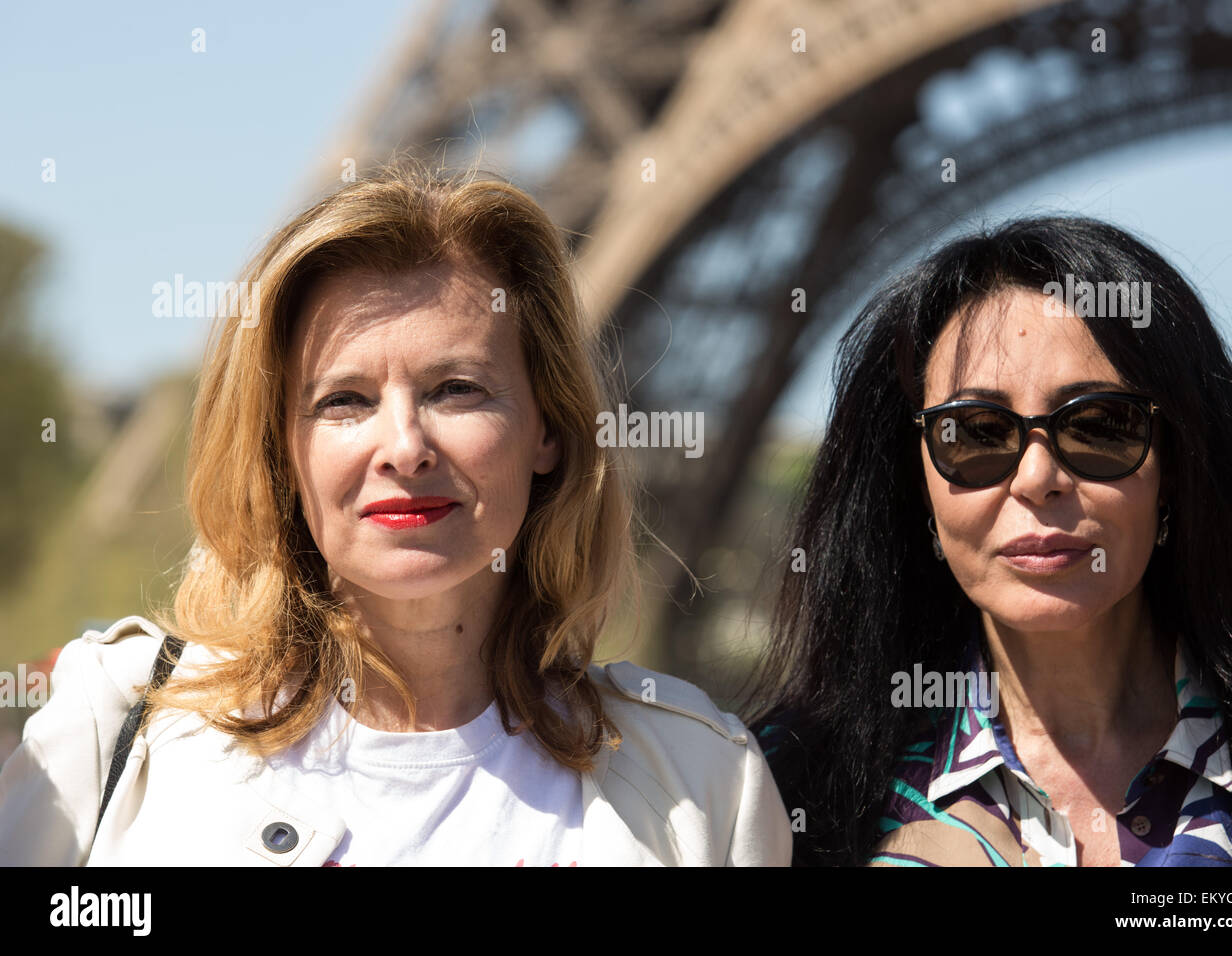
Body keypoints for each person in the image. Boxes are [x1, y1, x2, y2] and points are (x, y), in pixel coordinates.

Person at [0, 162, 791, 866]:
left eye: (457, 389)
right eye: (344, 401)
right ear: (282, 453)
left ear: (547, 429)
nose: (405, 447)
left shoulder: (704, 782)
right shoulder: (118, 731)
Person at [747, 216, 1232, 866]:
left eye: (1099, 425)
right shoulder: (779, 790)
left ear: (1176, 469)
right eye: (976, 433)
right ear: (917, 486)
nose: (1038, 479)